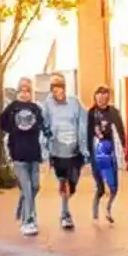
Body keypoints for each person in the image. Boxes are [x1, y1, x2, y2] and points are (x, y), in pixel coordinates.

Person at [0, 77, 46, 237]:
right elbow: (2, 124)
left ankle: (23, 203)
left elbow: (41, 125)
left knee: (35, 186)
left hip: (33, 153)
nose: (24, 93)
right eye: (22, 90)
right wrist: (13, 135)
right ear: (17, 91)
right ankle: (29, 221)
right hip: (18, 154)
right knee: (26, 187)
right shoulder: (12, 108)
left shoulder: (35, 108)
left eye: (27, 90)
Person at [42, 73, 88, 231]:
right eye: (54, 87)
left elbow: (85, 119)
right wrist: (46, 153)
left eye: (60, 86)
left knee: (73, 183)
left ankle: (66, 195)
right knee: (65, 182)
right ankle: (65, 214)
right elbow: (43, 127)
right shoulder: (47, 106)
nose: (58, 90)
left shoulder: (74, 103)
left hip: (75, 150)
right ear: (51, 89)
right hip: (58, 151)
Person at [87, 85, 127, 224]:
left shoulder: (113, 112)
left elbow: (120, 130)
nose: (102, 100)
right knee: (100, 188)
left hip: (110, 152)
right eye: (99, 97)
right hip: (97, 153)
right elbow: (87, 133)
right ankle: (95, 213)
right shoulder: (91, 113)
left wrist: (123, 146)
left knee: (114, 187)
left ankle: (108, 209)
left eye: (105, 97)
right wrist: (88, 153)